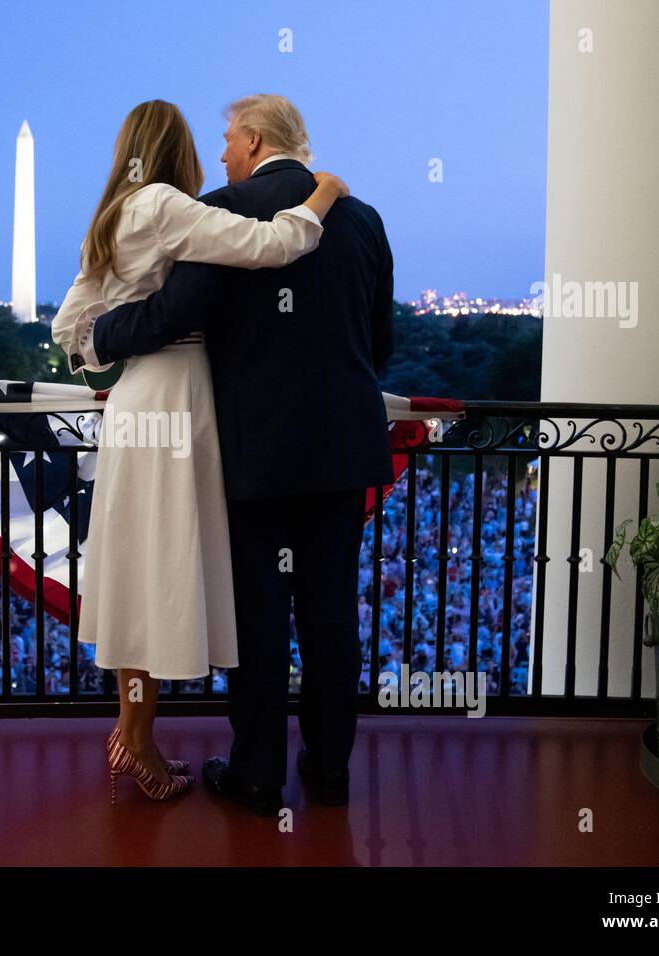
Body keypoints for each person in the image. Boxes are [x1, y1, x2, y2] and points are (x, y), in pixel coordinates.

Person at [80, 94, 396, 815]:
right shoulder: (365, 219)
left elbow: (179, 315)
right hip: (344, 449)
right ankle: (330, 766)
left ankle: (257, 770)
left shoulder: (224, 207)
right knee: (331, 613)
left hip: (253, 451)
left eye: (228, 138)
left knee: (259, 614)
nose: (221, 151)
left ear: (253, 142)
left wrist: (94, 337)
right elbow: (381, 344)